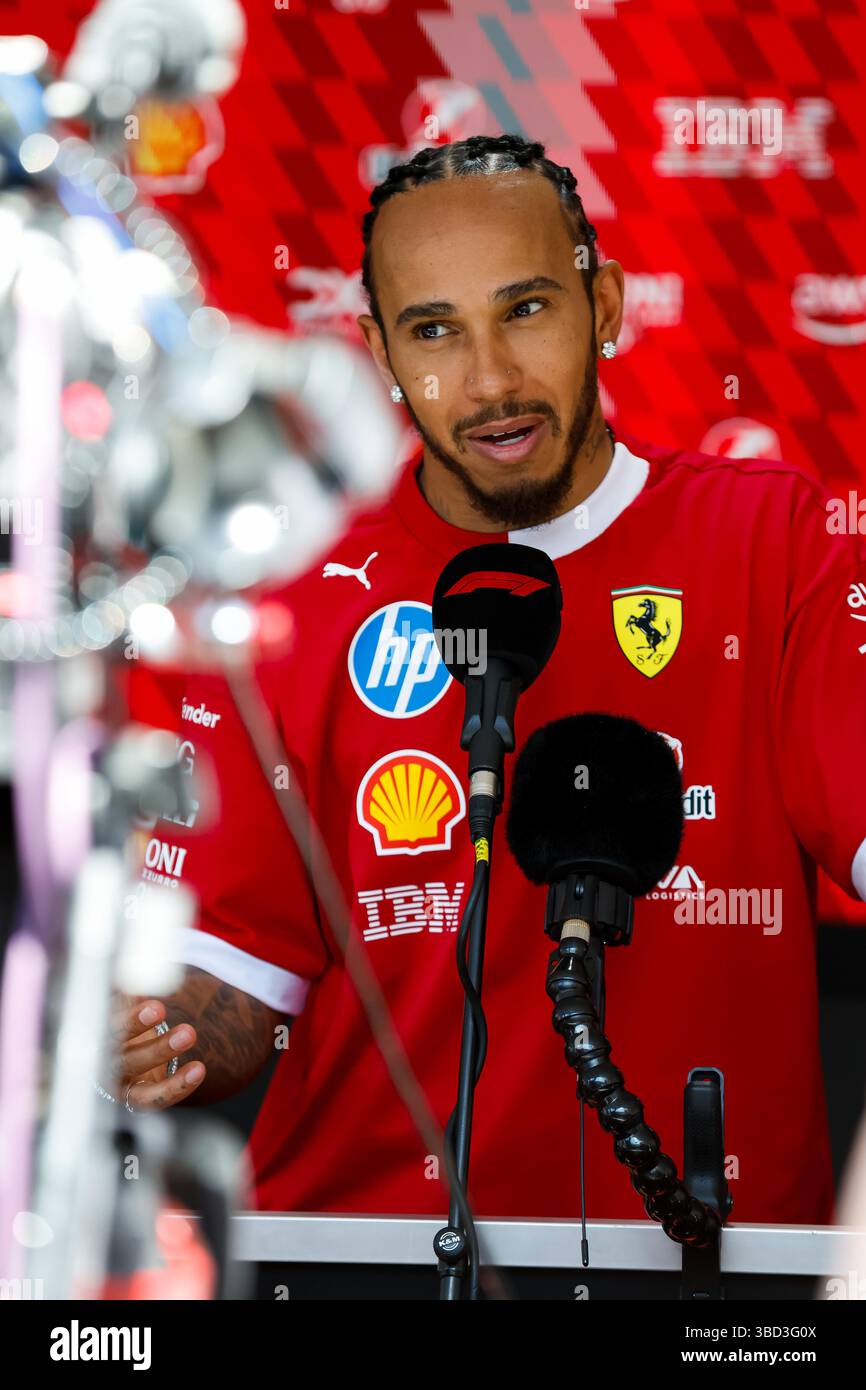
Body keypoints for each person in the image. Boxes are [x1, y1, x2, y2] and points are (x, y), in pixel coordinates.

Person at [109, 134, 866, 1227]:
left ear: (602, 303)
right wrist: (143, 1041)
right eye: (433, 331)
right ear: (376, 348)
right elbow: (231, 981)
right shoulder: (293, 586)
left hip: (718, 1263)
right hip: (356, 1254)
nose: (490, 382)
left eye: (525, 310)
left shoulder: (772, 535)